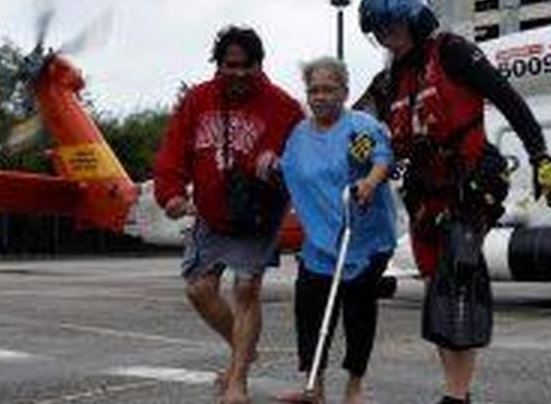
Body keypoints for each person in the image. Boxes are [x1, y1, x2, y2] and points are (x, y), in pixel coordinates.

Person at [355, 0, 551, 404]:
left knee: (457, 285)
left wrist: (541, 155)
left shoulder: (452, 52)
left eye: (392, 26)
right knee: (438, 290)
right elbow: (358, 122)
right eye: (379, 31)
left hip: (469, 189)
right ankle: (457, 391)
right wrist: (357, 142)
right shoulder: (387, 81)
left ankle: (457, 396)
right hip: (423, 199)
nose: (386, 37)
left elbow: (509, 100)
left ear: (415, 20)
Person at [154, 26, 305, 404]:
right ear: (218, 65)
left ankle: (237, 382)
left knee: (246, 289)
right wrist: (170, 194)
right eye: (230, 65)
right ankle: (245, 348)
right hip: (212, 213)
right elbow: (173, 152)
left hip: (258, 214)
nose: (238, 73)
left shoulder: (283, 106)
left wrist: (277, 163)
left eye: (246, 65)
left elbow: (302, 157)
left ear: (259, 64)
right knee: (199, 290)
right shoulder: (197, 100)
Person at [276, 56, 397, 404]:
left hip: (364, 238)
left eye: (329, 89)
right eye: (313, 90)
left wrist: (369, 184)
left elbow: (380, 158)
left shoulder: (358, 128)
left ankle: (354, 389)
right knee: (310, 311)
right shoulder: (299, 135)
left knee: (358, 312)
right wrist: (269, 166)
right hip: (320, 242)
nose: (320, 96)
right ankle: (314, 387)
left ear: (344, 91)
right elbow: (288, 170)